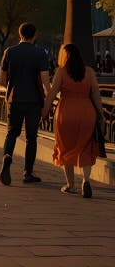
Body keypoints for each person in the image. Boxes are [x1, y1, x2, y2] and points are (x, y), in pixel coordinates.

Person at [42, 44, 105, 198]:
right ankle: (86, 181)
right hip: (86, 112)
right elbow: (96, 95)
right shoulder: (89, 72)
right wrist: (101, 114)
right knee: (86, 147)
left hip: (66, 113)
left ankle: (71, 185)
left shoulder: (62, 72)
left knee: (65, 147)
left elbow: (51, 93)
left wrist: (44, 112)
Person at [0, 22, 49, 186]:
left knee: (11, 133)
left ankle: (7, 155)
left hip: (15, 99)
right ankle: (28, 172)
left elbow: (2, 79)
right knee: (31, 137)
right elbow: (45, 81)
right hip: (33, 101)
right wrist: (49, 98)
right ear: (34, 35)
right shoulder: (40, 53)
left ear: (20, 35)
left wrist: (10, 89)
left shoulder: (9, 52)